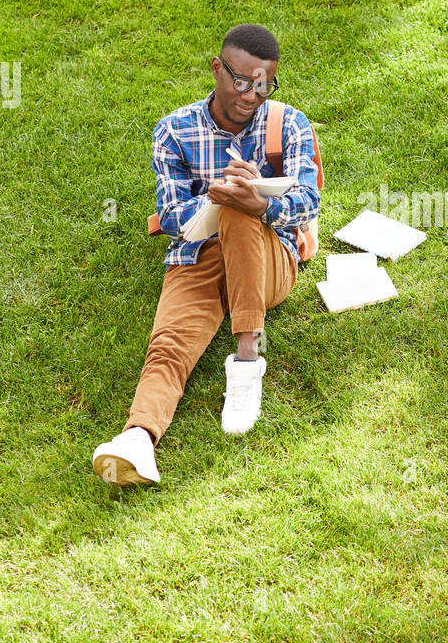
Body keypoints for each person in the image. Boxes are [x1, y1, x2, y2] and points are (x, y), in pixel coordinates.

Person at [92, 24, 320, 485]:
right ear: (217, 68)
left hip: (268, 258)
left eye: (263, 84)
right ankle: (138, 438)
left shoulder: (289, 123)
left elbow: (308, 202)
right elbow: (172, 215)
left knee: (239, 213)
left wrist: (259, 202)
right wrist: (215, 197)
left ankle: (246, 361)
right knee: (169, 344)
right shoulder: (174, 131)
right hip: (197, 257)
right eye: (241, 81)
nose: (251, 94)